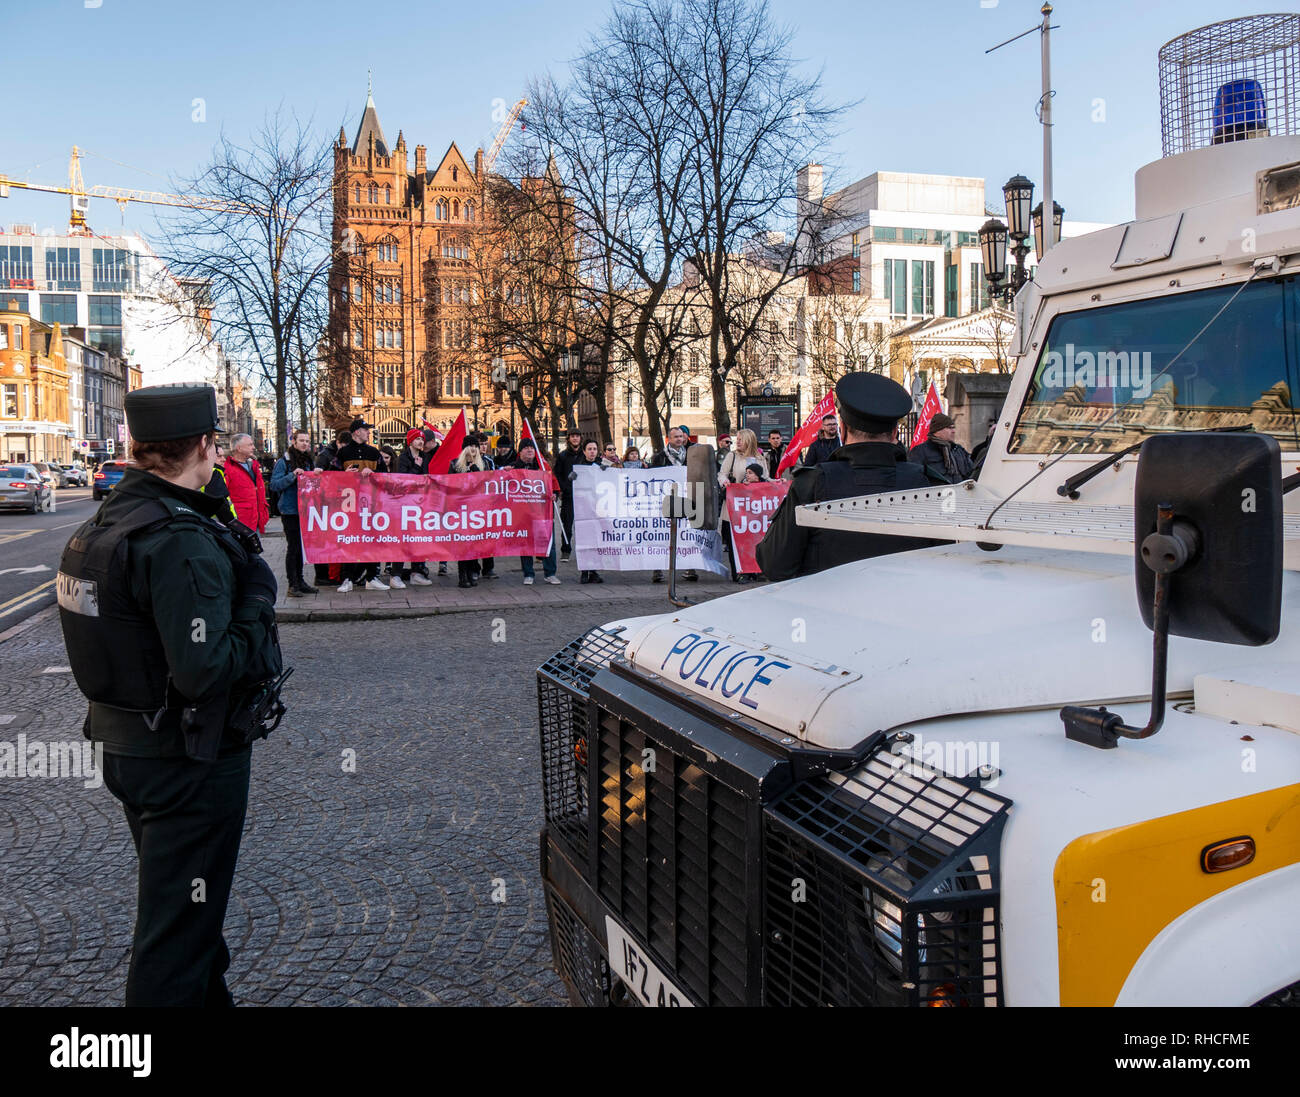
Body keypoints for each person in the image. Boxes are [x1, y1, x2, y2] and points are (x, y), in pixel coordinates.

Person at [57, 384, 282, 1007]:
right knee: (176, 939)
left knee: (190, 920)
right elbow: (203, 670)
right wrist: (257, 603)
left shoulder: (105, 523)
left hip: (128, 745)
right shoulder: (177, 540)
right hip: (188, 761)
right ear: (206, 445)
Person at [757, 373, 939, 581]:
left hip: (827, 608)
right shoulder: (928, 484)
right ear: (896, 433)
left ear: (842, 430)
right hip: (904, 608)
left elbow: (774, 564)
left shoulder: (812, 483)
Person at [336, 418, 387, 592]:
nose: (368, 432)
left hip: (371, 505)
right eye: (365, 430)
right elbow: (331, 476)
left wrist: (373, 473)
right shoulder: (342, 454)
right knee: (350, 541)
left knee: (372, 540)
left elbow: (386, 475)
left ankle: (372, 577)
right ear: (357, 432)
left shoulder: (374, 453)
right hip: (349, 506)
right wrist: (344, 474)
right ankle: (347, 578)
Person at [270, 429, 318, 597]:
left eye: (307, 441)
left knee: (301, 548)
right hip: (290, 510)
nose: (305, 443)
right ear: (294, 441)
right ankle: (293, 584)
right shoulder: (284, 461)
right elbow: (274, 485)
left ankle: (300, 580)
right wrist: (292, 475)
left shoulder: (308, 460)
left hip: (305, 510)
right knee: (293, 547)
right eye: (302, 440)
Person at [718, 428, 768, 581]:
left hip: (754, 508)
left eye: (740, 439)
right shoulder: (732, 456)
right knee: (736, 540)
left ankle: (756, 569)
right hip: (736, 506)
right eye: (737, 438)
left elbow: (765, 477)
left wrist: (777, 483)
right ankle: (740, 572)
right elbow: (722, 473)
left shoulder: (760, 458)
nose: (737, 441)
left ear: (749, 440)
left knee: (756, 539)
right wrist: (724, 482)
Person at [649, 425, 697, 583]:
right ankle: (658, 568)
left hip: (686, 498)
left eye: (681, 436)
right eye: (676, 436)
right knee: (662, 533)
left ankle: (690, 566)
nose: (679, 439)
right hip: (666, 499)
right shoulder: (660, 457)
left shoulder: (691, 455)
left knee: (687, 532)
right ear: (669, 439)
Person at [514, 438, 561, 585]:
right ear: (520, 451)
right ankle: (528, 573)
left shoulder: (542, 466)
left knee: (547, 541)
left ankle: (550, 573)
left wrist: (555, 494)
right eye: (526, 448)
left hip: (542, 512)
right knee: (525, 542)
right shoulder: (514, 468)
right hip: (523, 513)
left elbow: (553, 484)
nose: (530, 450)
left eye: (532, 448)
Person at [452, 438, 487, 588]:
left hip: (476, 510)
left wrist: (476, 473)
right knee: (463, 544)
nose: (473, 449)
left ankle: (473, 571)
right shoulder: (455, 465)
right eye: (470, 446)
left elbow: (486, 485)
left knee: (474, 543)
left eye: (475, 446)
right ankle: (462, 575)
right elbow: (450, 485)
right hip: (460, 509)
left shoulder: (482, 465)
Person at [571, 440, 604, 584]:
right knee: (585, 540)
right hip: (583, 508)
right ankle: (584, 571)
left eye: (594, 449)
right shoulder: (579, 466)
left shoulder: (602, 466)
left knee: (597, 540)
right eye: (589, 449)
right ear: (584, 451)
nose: (592, 452)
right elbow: (569, 482)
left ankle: (594, 571)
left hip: (599, 508)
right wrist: (572, 477)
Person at [909, 413, 975, 484]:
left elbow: (972, 474)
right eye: (949, 428)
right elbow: (914, 478)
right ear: (937, 431)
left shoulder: (958, 450)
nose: (953, 431)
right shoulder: (920, 451)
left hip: (960, 493)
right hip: (935, 494)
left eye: (953, 427)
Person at [223, 433, 269, 535]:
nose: (253, 447)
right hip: (240, 523)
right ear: (239, 448)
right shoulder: (227, 468)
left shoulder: (254, 466)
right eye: (250, 445)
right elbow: (223, 496)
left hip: (256, 520)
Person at [552, 430, 584, 562]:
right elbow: (557, 474)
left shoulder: (585, 454)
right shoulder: (563, 456)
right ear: (569, 439)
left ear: (580, 438)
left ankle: (584, 549)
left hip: (584, 495)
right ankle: (565, 550)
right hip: (568, 495)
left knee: (584, 524)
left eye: (577, 436)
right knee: (567, 524)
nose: (575, 439)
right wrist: (563, 488)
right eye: (573, 436)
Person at [202, 437, 238, 523]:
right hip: (219, 525)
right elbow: (220, 505)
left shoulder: (205, 472)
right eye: (219, 456)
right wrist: (232, 524)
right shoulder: (214, 473)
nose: (224, 459)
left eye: (224, 456)